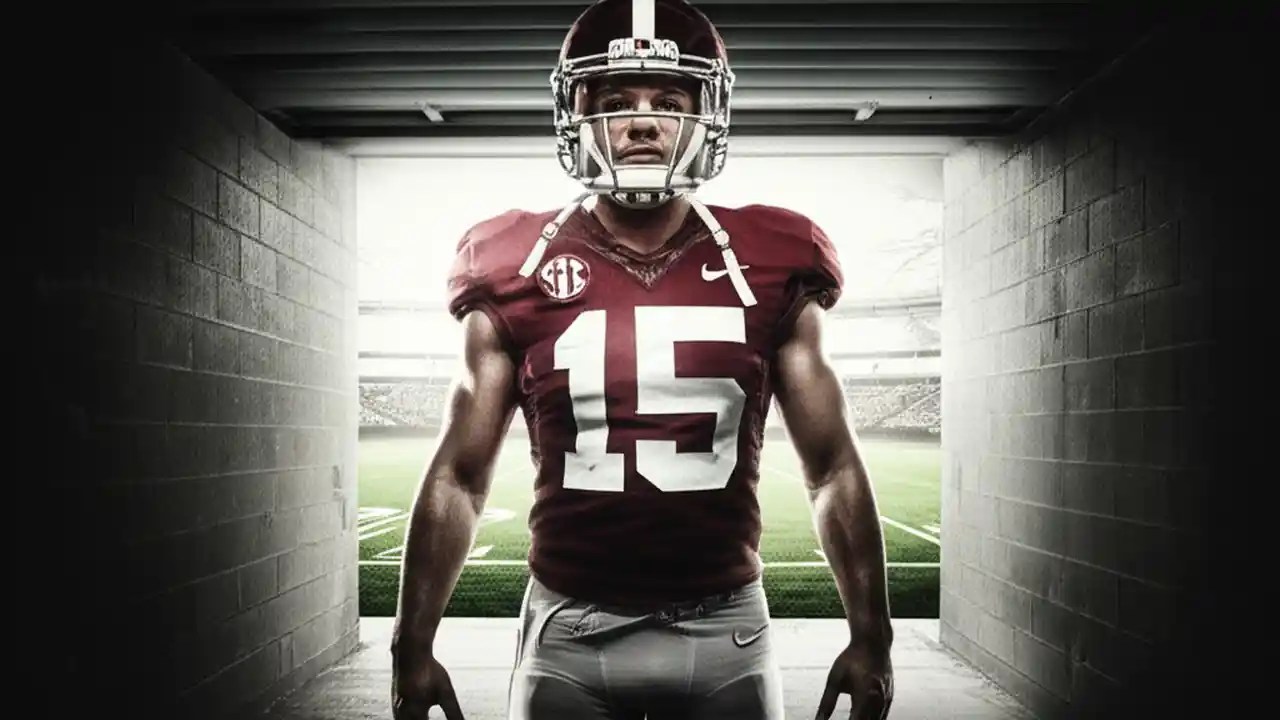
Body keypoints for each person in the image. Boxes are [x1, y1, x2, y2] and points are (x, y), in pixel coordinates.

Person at [391, 1, 893, 718]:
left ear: (704, 114)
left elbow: (832, 466)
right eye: (616, 101)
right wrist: (411, 642)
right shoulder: (514, 259)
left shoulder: (772, 258)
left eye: (669, 100)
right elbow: (462, 475)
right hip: (569, 623)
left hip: (726, 624)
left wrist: (873, 635)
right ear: (578, 113)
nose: (643, 120)